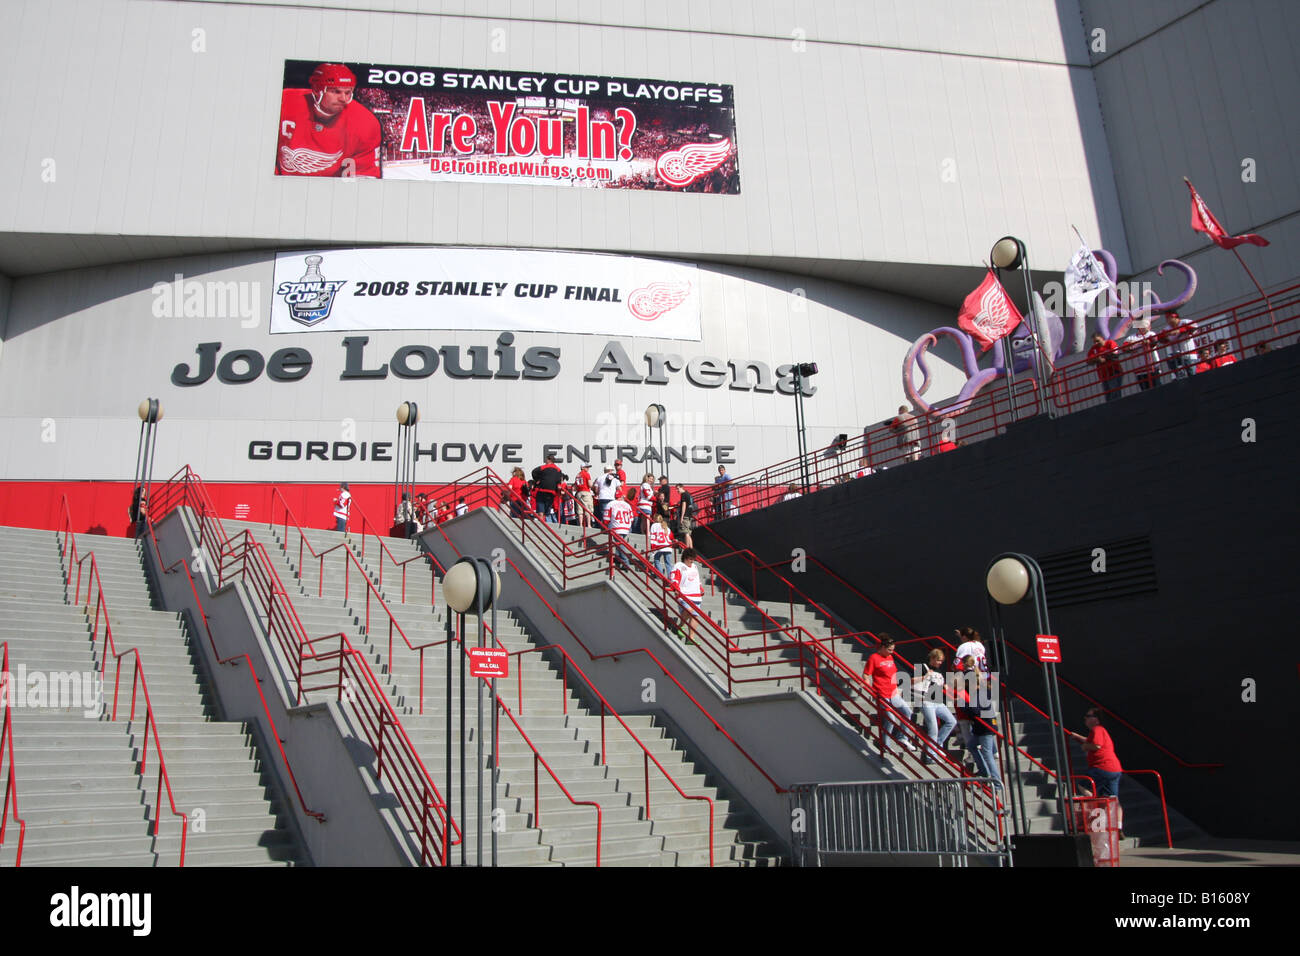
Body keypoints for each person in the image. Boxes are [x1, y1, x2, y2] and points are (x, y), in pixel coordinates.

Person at [277, 63, 381, 178]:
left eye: (348, 92)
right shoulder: (284, 102)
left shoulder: (365, 122)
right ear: (317, 90)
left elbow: (363, 177)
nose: (343, 99)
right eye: (336, 91)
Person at [1069, 707, 1124, 834]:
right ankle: (1119, 827)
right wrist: (1078, 737)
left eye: (1088, 716)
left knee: (1083, 785)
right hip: (1115, 768)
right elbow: (1092, 741)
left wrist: (1084, 746)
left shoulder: (1097, 729)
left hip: (1102, 767)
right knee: (1113, 798)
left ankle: (1095, 808)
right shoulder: (1101, 731)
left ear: (1096, 719)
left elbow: (1096, 745)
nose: (1085, 719)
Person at [862, 635, 917, 754]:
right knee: (890, 719)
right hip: (881, 693)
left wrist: (897, 688)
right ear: (882, 647)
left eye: (893, 650)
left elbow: (893, 675)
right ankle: (885, 744)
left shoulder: (890, 658)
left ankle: (903, 737)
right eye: (890, 649)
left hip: (893, 692)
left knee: (907, 712)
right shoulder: (874, 658)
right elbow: (866, 674)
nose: (892, 652)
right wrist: (867, 684)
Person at [913, 648, 957, 765]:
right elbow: (911, 681)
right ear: (932, 658)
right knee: (933, 729)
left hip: (938, 701)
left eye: (941, 661)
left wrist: (945, 686)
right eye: (938, 660)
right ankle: (930, 756)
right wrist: (924, 677)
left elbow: (939, 683)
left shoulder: (938, 670)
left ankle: (937, 744)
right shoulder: (922, 667)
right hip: (925, 701)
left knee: (951, 721)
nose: (940, 663)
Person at [966, 661, 1003, 793]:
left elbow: (975, 710)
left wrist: (966, 706)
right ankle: (983, 771)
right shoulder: (981, 691)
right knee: (971, 746)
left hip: (985, 728)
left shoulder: (980, 692)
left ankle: (997, 783)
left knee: (987, 754)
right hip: (981, 728)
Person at [669, 548, 704, 644]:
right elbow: (674, 578)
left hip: (696, 595)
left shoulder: (695, 567)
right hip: (684, 594)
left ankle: (690, 638)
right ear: (685, 558)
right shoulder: (679, 566)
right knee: (689, 610)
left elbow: (697, 580)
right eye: (690, 559)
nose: (692, 561)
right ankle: (680, 625)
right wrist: (675, 588)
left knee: (695, 616)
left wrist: (701, 588)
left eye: (693, 559)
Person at [1122, 318, 1162, 391]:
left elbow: (1154, 341)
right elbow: (1124, 348)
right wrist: (1140, 343)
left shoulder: (1151, 334)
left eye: (1146, 325)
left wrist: (1135, 344)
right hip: (1140, 370)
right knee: (1145, 390)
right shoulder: (1131, 337)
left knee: (1157, 388)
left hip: (1152, 367)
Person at [1158, 311, 1198, 379]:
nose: (1168, 320)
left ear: (1176, 317)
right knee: (1170, 359)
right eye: (1167, 318)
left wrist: (1180, 330)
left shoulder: (1184, 322)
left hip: (1189, 353)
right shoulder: (1167, 329)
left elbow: (1194, 326)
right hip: (1177, 354)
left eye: (1170, 318)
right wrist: (1166, 335)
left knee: (1192, 375)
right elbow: (1159, 338)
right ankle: (1179, 375)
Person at [1087, 332, 1124, 402]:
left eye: (1097, 341)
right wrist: (1098, 359)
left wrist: (1103, 357)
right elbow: (1088, 361)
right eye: (1094, 342)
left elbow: (1115, 353)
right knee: (1108, 396)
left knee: (1115, 393)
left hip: (1114, 372)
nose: (1096, 343)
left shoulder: (1110, 343)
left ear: (1102, 338)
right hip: (1103, 376)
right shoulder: (1094, 349)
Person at [604, 494, 636, 570]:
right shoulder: (627, 505)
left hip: (616, 526)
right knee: (620, 544)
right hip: (626, 527)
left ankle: (626, 562)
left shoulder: (611, 503)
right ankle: (618, 558)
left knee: (620, 545)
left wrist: (606, 525)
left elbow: (606, 518)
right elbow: (632, 518)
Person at [532, 454, 563, 523]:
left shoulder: (543, 467)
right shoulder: (558, 470)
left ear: (548, 460)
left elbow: (534, 472)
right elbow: (559, 481)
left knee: (540, 512)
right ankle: (545, 525)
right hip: (551, 492)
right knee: (546, 512)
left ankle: (541, 526)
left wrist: (537, 480)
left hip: (542, 490)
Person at [648, 514, 676, 578]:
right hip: (668, 546)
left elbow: (653, 538)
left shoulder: (654, 526)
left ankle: (659, 575)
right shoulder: (665, 525)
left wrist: (652, 548)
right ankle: (670, 578)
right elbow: (671, 537)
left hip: (660, 546)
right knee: (668, 564)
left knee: (656, 560)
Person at [674, 483, 697, 550]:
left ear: (682, 487)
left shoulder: (683, 494)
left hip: (685, 516)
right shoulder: (689, 494)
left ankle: (687, 549)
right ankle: (691, 549)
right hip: (689, 516)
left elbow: (684, 506)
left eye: (678, 488)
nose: (677, 490)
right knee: (688, 533)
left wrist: (681, 517)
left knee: (686, 533)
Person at [574, 464, 594, 532]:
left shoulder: (577, 475)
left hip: (579, 493)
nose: (588, 468)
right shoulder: (586, 474)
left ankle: (580, 525)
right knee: (588, 509)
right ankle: (588, 524)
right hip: (586, 492)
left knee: (580, 510)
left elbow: (575, 486)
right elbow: (590, 484)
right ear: (582, 467)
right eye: (587, 467)